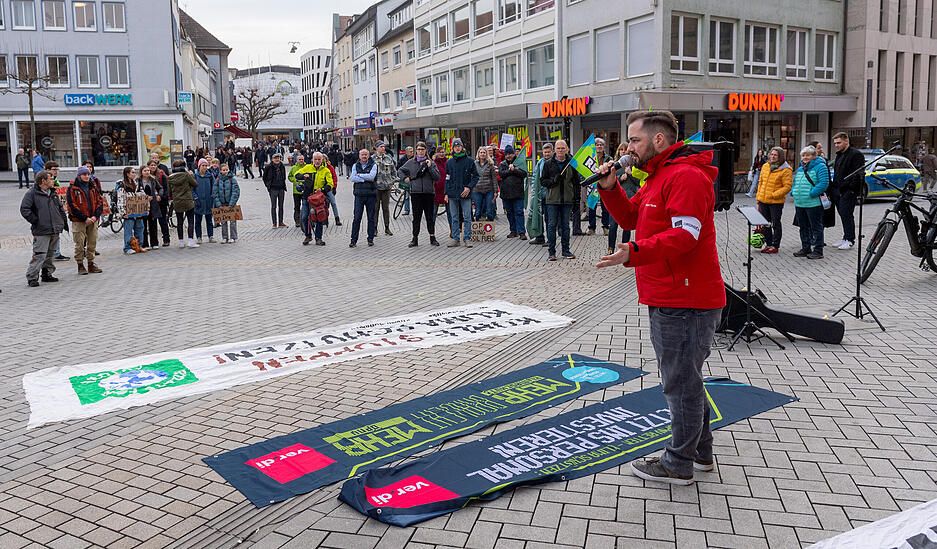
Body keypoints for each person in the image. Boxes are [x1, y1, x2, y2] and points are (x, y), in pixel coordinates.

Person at [594, 109, 725, 486]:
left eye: (634, 140)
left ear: (659, 140)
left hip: (685, 299)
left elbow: (686, 236)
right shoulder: (657, 176)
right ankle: (699, 451)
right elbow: (631, 219)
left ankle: (677, 463)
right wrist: (610, 188)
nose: (628, 148)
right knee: (686, 379)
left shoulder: (685, 176)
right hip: (668, 294)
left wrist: (634, 252)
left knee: (679, 383)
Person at [21, 170, 68, 287]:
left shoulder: (53, 193)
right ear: (43, 181)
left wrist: (63, 222)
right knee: (39, 254)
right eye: (51, 179)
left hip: (55, 229)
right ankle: (32, 277)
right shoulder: (32, 193)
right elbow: (25, 209)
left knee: (51, 254)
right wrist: (36, 221)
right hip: (41, 230)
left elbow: (60, 208)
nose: (53, 181)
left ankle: (47, 274)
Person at [541, 140, 581, 261]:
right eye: (558, 148)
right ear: (554, 150)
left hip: (567, 200)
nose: (560, 150)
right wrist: (553, 181)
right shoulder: (548, 163)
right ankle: (551, 252)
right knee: (551, 225)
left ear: (567, 149)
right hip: (552, 200)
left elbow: (576, 183)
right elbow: (542, 181)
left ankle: (566, 250)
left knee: (565, 226)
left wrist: (577, 200)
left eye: (563, 148)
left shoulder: (572, 163)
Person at [398, 141, 441, 247]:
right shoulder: (411, 162)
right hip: (416, 193)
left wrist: (430, 167)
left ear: (426, 150)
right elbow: (400, 170)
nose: (421, 151)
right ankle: (415, 238)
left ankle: (432, 237)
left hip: (429, 193)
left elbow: (437, 177)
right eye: (418, 149)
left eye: (422, 149)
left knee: (429, 216)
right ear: (416, 151)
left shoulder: (431, 162)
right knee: (416, 217)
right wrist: (405, 178)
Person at [791, 145, 830, 259]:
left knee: (816, 227)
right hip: (800, 203)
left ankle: (818, 250)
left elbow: (824, 183)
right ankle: (806, 248)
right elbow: (796, 182)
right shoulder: (801, 168)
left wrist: (812, 193)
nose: (805, 157)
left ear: (814, 156)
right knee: (803, 227)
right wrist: (793, 191)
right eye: (803, 155)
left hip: (813, 203)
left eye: (807, 155)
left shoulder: (820, 166)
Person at [830, 132, 866, 250]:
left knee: (847, 214)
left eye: (838, 143)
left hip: (848, 191)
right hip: (838, 190)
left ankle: (850, 239)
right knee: (843, 215)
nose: (836, 145)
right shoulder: (839, 155)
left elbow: (858, 174)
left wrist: (851, 189)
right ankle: (845, 237)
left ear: (846, 141)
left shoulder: (856, 154)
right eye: (835, 143)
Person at [65, 166, 104, 274]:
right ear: (79, 175)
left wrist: (95, 216)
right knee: (80, 243)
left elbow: (99, 202)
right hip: (79, 220)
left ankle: (91, 263)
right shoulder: (73, 188)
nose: (87, 176)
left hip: (93, 219)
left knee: (92, 242)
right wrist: (84, 217)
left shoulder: (93, 186)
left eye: (88, 174)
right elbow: (72, 205)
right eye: (84, 174)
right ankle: (80, 264)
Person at [755, 147, 793, 254]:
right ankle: (768, 244)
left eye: (775, 155)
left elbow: (787, 186)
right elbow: (761, 182)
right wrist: (758, 196)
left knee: (775, 224)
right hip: (763, 200)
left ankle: (775, 245)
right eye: (771, 154)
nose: (772, 156)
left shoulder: (786, 170)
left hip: (776, 202)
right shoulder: (765, 166)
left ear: (780, 157)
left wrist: (774, 195)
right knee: (765, 223)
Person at [606, 142, 640, 255]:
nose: (623, 151)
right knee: (613, 225)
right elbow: (610, 182)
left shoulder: (634, 166)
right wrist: (620, 178)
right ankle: (611, 247)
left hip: (630, 198)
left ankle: (624, 247)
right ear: (618, 152)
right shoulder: (615, 166)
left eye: (625, 150)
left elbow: (639, 182)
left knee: (627, 226)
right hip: (616, 200)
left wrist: (630, 174)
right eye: (621, 149)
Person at [444, 138, 477, 247]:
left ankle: (467, 238)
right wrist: (446, 193)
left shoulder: (470, 161)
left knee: (467, 217)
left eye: (459, 146)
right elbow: (447, 178)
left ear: (462, 147)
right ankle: (456, 239)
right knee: (454, 217)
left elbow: (476, 177)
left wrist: (469, 187)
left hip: (465, 194)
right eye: (455, 146)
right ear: (453, 148)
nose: (457, 148)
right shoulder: (449, 162)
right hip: (452, 194)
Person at [298, 151, 334, 246]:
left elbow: (330, 184)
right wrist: (303, 176)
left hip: (318, 198)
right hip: (307, 197)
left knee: (319, 218)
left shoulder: (326, 170)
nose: (317, 161)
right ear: (312, 160)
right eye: (315, 159)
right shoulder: (307, 167)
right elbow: (296, 175)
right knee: (305, 217)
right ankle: (308, 236)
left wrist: (322, 189)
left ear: (322, 160)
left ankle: (318, 238)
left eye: (319, 159)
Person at [349, 148, 378, 247]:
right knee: (357, 218)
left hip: (371, 195)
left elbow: (372, 177)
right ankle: (353, 240)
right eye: (362, 154)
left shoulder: (373, 165)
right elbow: (352, 178)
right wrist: (365, 179)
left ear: (369, 156)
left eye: (366, 154)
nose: (364, 156)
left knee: (371, 218)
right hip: (359, 195)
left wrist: (360, 175)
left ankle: (370, 239)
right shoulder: (355, 165)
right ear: (359, 156)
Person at [499, 145, 528, 240]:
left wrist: (514, 169)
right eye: (507, 154)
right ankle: (513, 231)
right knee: (509, 213)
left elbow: (524, 174)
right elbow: (501, 174)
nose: (509, 156)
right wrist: (510, 170)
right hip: (506, 193)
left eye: (510, 154)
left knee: (519, 212)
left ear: (514, 153)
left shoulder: (520, 163)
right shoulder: (502, 164)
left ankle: (521, 232)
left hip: (518, 193)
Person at [168, 160, 199, 248]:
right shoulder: (186, 175)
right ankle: (190, 241)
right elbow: (195, 184)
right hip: (188, 200)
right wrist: (191, 175)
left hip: (177, 201)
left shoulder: (170, 178)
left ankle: (181, 242)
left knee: (179, 222)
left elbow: (169, 192)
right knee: (190, 221)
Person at [118, 167, 149, 255]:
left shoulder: (137, 184)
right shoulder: (122, 185)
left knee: (140, 228)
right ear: (127, 174)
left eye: (134, 172)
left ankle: (139, 246)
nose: (134, 174)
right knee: (128, 231)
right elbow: (120, 200)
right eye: (132, 172)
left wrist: (146, 208)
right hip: (128, 212)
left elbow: (143, 196)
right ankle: (127, 248)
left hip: (138, 211)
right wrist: (123, 213)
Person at [527, 143, 552, 247]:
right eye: (545, 152)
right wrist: (533, 187)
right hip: (539, 195)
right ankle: (539, 237)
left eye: (548, 152)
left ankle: (550, 239)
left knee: (549, 218)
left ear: (552, 152)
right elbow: (534, 176)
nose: (546, 154)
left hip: (550, 195)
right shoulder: (540, 162)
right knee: (538, 216)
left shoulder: (553, 162)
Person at [587, 138, 612, 235]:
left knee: (605, 208)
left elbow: (611, 171)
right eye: (597, 144)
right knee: (592, 207)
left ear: (604, 146)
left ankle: (606, 227)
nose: (599, 146)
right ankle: (591, 228)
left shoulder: (608, 158)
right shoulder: (590, 158)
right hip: (593, 186)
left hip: (604, 186)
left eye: (601, 144)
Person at [373, 142, 397, 236]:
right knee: (375, 209)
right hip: (376, 188)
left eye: (384, 146)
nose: (383, 148)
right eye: (381, 146)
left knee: (386, 208)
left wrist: (391, 181)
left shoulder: (388, 158)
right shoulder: (372, 159)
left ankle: (387, 228)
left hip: (386, 187)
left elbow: (394, 172)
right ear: (376, 148)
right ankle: (374, 228)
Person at [213, 163, 241, 243]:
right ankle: (225, 237)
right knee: (223, 222)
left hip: (231, 204)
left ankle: (233, 237)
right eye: (224, 170)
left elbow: (236, 192)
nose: (225, 171)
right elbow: (215, 193)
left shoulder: (232, 179)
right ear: (220, 171)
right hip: (222, 204)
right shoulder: (217, 180)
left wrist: (232, 203)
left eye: (226, 170)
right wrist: (218, 204)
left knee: (232, 222)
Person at [192, 158, 216, 243]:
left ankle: (211, 236)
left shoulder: (210, 176)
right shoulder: (195, 176)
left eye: (206, 165)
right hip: (198, 201)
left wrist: (212, 196)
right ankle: (199, 237)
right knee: (198, 221)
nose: (205, 167)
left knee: (209, 220)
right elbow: (192, 188)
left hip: (208, 201)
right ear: (199, 166)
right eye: (203, 165)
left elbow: (214, 186)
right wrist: (195, 197)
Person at [472, 146, 498, 221]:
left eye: (484, 152)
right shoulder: (474, 164)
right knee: (478, 212)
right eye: (481, 152)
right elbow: (472, 177)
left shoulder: (490, 164)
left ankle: (490, 226)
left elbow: (494, 178)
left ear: (486, 154)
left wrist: (496, 191)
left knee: (489, 211)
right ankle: (478, 226)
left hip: (489, 190)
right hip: (477, 190)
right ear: (478, 154)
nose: (482, 154)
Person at [263, 152, 288, 229]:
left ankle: (281, 222)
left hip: (281, 188)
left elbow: (284, 176)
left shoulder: (282, 166)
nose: (277, 159)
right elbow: (264, 177)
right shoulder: (268, 167)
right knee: (273, 206)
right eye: (275, 158)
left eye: (278, 158)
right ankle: (274, 223)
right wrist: (268, 186)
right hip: (273, 189)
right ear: (272, 159)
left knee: (281, 206)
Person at [288, 154, 307, 227]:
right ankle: (297, 221)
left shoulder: (307, 167)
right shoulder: (294, 168)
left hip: (305, 189)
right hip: (296, 191)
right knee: (297, 206)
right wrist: (294, 180)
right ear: (297, 160)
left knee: (306, 206)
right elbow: (289, 176)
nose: (301, 161)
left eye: (302, 159)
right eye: (300, 159)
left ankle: (305, 220)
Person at [433, 146, 448, 235]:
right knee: (433, 213)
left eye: (443, 152)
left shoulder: (448, 162)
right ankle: (432, 232)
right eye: (440, 152)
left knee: (450, 213)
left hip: (447, 190)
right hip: (436, 190)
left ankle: (452, 231)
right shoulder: (434, 163)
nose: (442, 154)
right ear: (437, 153)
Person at [397, 146, 415, 215]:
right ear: (406, 152)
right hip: (406, 179)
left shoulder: (414, 159)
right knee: (406, 195)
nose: (412, 153)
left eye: (412, 151)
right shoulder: (402, 159)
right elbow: (398, 168)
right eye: (410, 151)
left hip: (413, 178)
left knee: (414, 196)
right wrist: (403, 177)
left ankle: (414, 210)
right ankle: (407, 210)